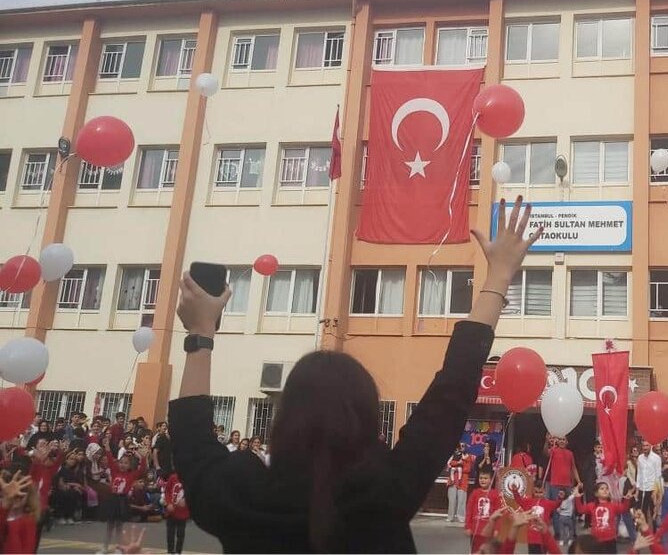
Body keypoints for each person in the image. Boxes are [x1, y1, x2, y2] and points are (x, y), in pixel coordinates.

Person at [168, 197, 541, 552]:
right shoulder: (385, 492)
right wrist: (499, 277)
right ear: (365, 419)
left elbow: (191, 437)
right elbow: (452, 390)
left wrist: (201, 334)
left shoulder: (239, 496)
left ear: (284, 418)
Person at [104, 448, 148, 552]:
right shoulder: (115, 472)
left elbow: (142, 469)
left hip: (122, 500)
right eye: (121, 462)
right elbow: (110, 461)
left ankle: (119, 548)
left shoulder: (131, 475)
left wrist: (143, 457)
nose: (123, 465)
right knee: (110, 525)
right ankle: (104, 547)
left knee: (119, 526)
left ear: (129, 465)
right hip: (113, 499)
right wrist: (107, 449)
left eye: (126, 463)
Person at [574, 482, 635, 553]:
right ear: (596, 493)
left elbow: (624, 509)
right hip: (596, 540)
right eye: (602, 489)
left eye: (607, 488)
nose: (605, 490)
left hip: (610, 540)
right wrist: (577, 497)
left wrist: (627, 499)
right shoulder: (592, 505)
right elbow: (580, 510)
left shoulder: (613, 506)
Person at [510, 480, 561, 554]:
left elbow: (557, 504)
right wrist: (515, 491)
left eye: (540, 492)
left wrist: (560, 498)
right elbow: (519, 500)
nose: (538, 494)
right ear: (533, 491)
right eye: (536, 492)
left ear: (544, 492)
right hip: (532, 538)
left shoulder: (548, 503)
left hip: (543, 537)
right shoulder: (529, 502)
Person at [1, 467, 40, 554]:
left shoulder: (28, 521)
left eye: (22, 493)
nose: (17, 497)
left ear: (28, 496)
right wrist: (5, 505)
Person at [466, 468, 502, 552]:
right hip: (476, 531)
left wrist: (497, 529)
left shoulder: (495, 494)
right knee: (475, 551)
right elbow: (469, 510)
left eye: (485, 478)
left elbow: (498, 513)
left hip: (489, 531)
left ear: (491, 480)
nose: (482, 480)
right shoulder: (475, 493)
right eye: (481, 478)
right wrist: (468, 526)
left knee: (487, 551)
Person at [163, 467, 189, 554]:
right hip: (171, 511)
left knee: (180, 534)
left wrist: (187, 500)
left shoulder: (191, 479)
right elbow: (167, 491)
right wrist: (169, 503)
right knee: (170, 533)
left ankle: (178, 551)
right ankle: (170, 551)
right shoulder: (173, 477)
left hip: (183, 512)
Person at [636, 440, 662, 523]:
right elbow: (639, 473)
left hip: (652, 489)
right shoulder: (640, 457)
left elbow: (658, 475)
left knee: (653, 512)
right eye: (643, 446)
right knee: (641, 512)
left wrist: (656, 490)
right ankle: (643, 532)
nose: (645, 448)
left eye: (647, 446)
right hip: (642, 488)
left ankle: (654, 533)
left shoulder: (656, 458)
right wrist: (637, 488)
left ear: (650, 446)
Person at [446, 445, 469, 524]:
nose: (461, 448)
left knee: (462, 500)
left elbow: (468, 468)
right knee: (452, 500)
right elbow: (449, 463)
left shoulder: (467, 457)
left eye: (463, 446)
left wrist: (459, 466)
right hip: (453, 480)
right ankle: (450, 517)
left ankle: (461, 517)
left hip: (463, 481)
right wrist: (457, 464)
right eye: (460, 446)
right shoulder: (453, 455)